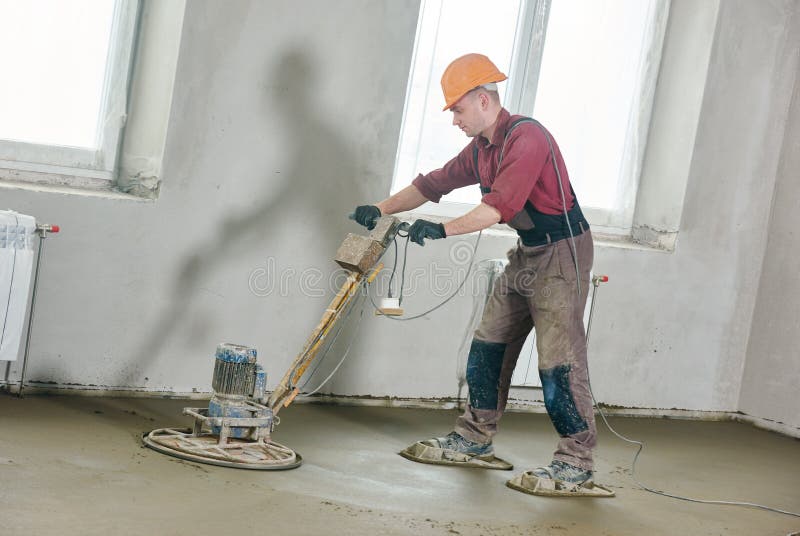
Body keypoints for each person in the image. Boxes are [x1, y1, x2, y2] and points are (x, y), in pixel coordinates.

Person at [352, 53, 601, 495]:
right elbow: (434, 183)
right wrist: (380, 208)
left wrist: (442, 229)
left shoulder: (528, 138)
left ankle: (576, 462)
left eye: (458, 110)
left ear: (483, 100)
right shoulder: (483, 148)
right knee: (489, 344)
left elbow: (495, 208)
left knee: (557, 363)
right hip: (527, 251)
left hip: (563, 254)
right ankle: (473, 439)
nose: (454, 120)